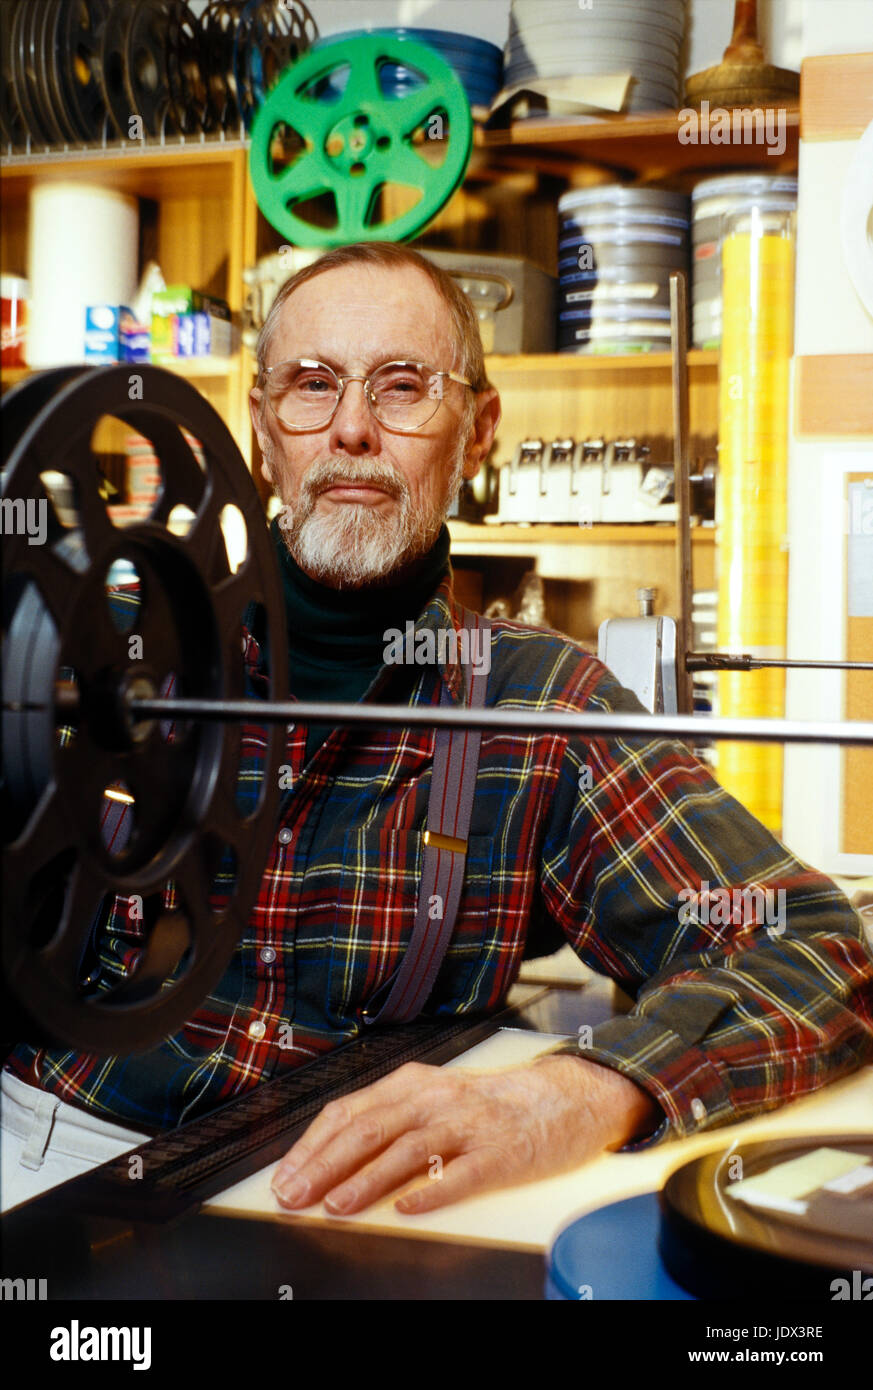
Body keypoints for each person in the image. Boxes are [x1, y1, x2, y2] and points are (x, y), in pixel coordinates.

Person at [2, 242, 872, 1220]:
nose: (353, 430)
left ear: (480, 429)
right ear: (258, 431)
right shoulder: (100, 659)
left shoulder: (541, 706)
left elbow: (810, 949)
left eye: (404, 387)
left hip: (325, 1199)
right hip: (44, 1142)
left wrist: (569, 1093)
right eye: (311, 385)